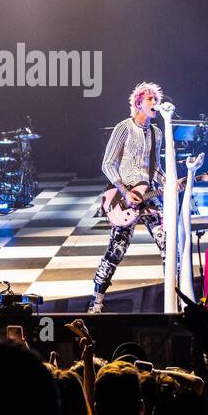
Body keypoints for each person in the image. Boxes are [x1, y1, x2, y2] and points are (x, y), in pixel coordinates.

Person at [90, 81, 167, 314]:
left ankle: (176, 299)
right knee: (116, 249)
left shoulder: (157, 133)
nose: (155, 103)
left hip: (150, 193)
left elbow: (156, 168)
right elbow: (107, 164)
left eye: (156, 99)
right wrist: (125, 191)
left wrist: (168, 181)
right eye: (150, 99)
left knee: (168, 243)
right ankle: (96, 301)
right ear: (138, 103)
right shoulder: (123, 128)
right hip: (124, 198)